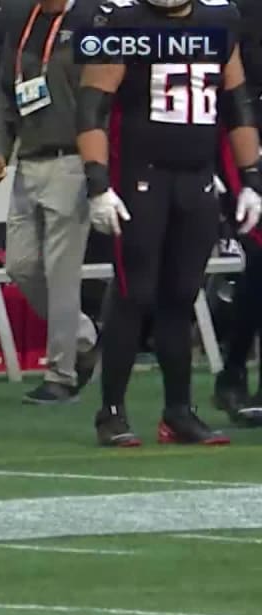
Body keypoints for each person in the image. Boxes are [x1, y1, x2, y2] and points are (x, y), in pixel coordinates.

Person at [76, 0, 260, 446]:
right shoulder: (122, 23)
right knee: (134, 292)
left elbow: (237, 105)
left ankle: (179, 412)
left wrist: (251, 178)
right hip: (140, 175)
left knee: (181, 294)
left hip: (196, 177)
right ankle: (112, 412)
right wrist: (98, 182)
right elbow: (91, 109)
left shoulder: (219, 21)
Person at [0, 0, 101, 404]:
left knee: (61, 273)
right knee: (20, 265)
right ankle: (85, 338)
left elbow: (101, 98)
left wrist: (97, 163)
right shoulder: (21, 20)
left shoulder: (90, 19)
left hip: (71, 159)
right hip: (27, 160)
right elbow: (7, 93)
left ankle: (61, 373)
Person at [211, 0, 261, 426]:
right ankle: (233, 373)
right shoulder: (236, 12)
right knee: (261, 262)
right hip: (245, 136)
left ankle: (234, 373)